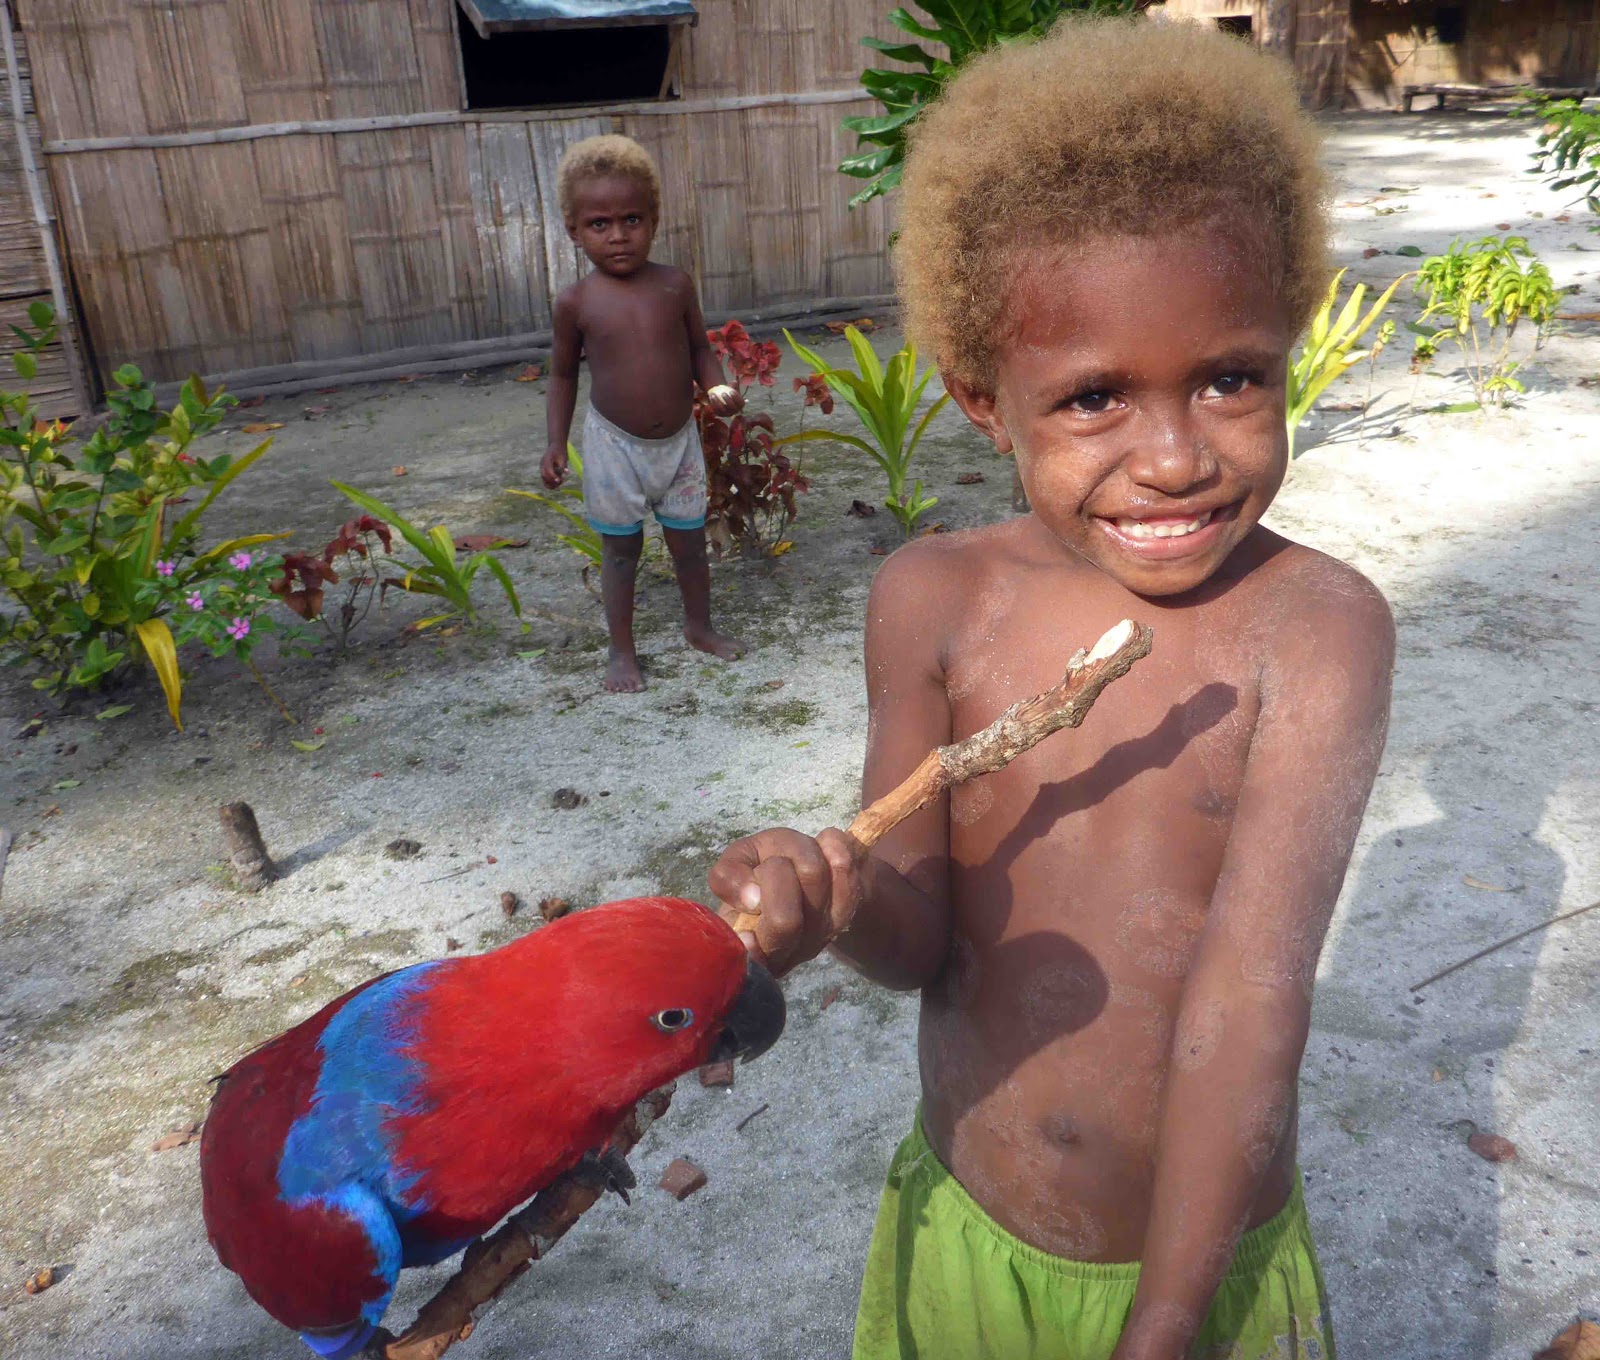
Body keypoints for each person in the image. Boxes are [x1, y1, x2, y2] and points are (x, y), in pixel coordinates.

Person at [709, 17, 1394, 1360]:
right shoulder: (936, 599)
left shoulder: (1317, 627)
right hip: (969, 1236)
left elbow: (1251, 1005)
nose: (1176, 457)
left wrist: (1166, 1325)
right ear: (982, 398)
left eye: (1231, 378)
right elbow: (918, 945)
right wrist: (836, 906)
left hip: (1193, 1286)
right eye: (1093, 399)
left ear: (1289, 343)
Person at [541, 134, 743, 693]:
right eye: (599, 224)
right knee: (621, 551)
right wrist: (556, 442)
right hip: (614, 448)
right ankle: (622, 651)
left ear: (654, 220)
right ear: (573, 231)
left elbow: (699, 348)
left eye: (631, 219)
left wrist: (717, 387)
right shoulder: (575, 303)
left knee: (689, 543)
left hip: (678, 444)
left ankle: (699, 627)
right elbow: (562, 376)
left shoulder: (675, 286)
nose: (618, 235)